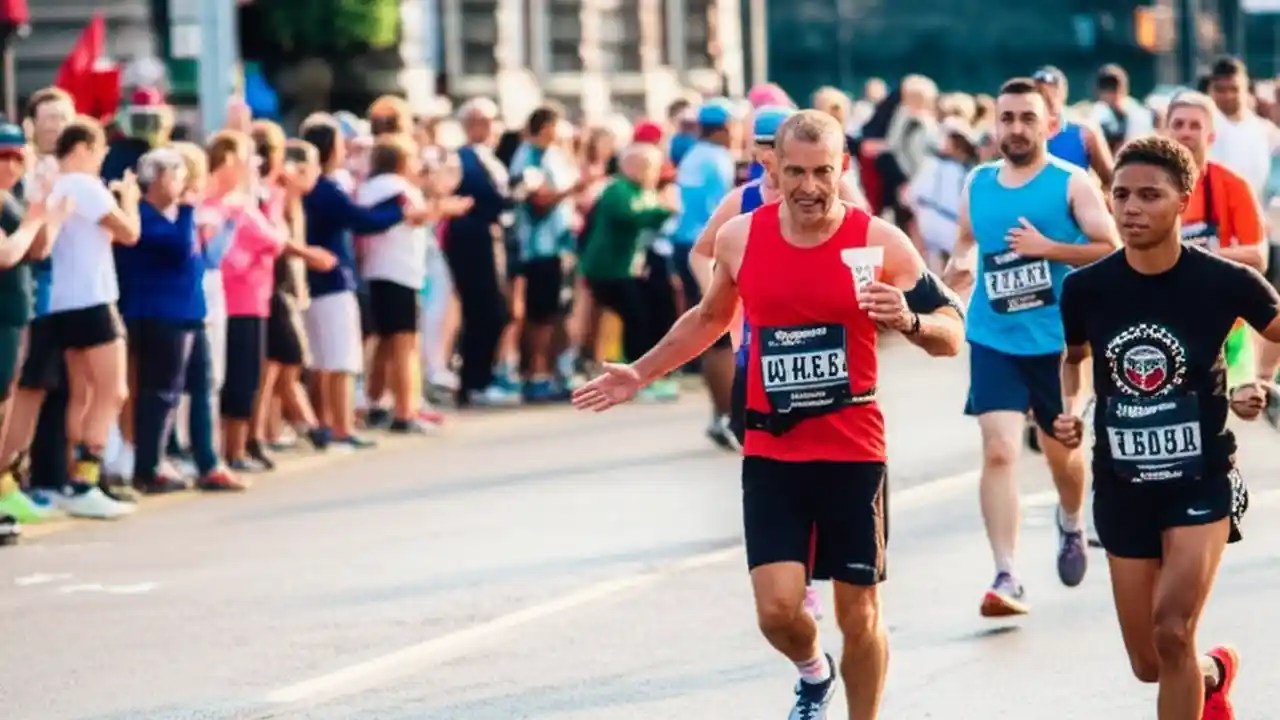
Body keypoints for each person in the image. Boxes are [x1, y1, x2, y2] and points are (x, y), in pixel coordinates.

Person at [573, 110, 965, 720]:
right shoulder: (741, 237)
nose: (810, 186)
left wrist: (910, 321)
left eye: (824, 172)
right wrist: (639, 373)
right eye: (796, 172)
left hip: (851, 449)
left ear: (842, 170)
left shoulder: (878, 241)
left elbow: (952, 332)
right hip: (773, 449)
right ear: (773, 169)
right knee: (778, 611)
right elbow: (707, 320)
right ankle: (814, 671)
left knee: (859, 614)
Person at [1053, 135, 1280, 720]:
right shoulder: (1086, 288)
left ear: (1183, 200)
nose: (1131, 208)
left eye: (1149, 196)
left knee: (1173, 629)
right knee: (1151, 662)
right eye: (1121, 194)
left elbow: (1273, 329)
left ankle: (1195, 672)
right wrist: (1072, 409)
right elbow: (1075, 357)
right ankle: (1213, 675)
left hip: (1199, 479)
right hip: (1123, 485)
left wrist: (1256, 381)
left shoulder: (1224, 282)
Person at [943, 77, 1120, 616]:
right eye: (1006, 118)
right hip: (994, 335)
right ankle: (1006, 573)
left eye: (1026, 118)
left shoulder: (1071, 183)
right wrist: (958, 268)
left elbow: (1108, 247)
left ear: (1050, 125)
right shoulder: (977, 183)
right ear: (994, 126)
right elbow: (967, 244)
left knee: (1060, 453)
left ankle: (1071, 519)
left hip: (1057, 343)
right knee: (998, 450)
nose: (1015, 128)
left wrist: (1050, 249)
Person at [1163, 91, 1268, 395]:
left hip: (1224, 325)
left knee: (1230, 416)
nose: (1185, 132)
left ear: (1211, 135)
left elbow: (1258, 255)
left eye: (1195, 125)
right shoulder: (1144, 187)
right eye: (1178, 124)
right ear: (1166, 130)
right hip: (1162, 321)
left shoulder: (1232, 185)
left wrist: (1197, 255)